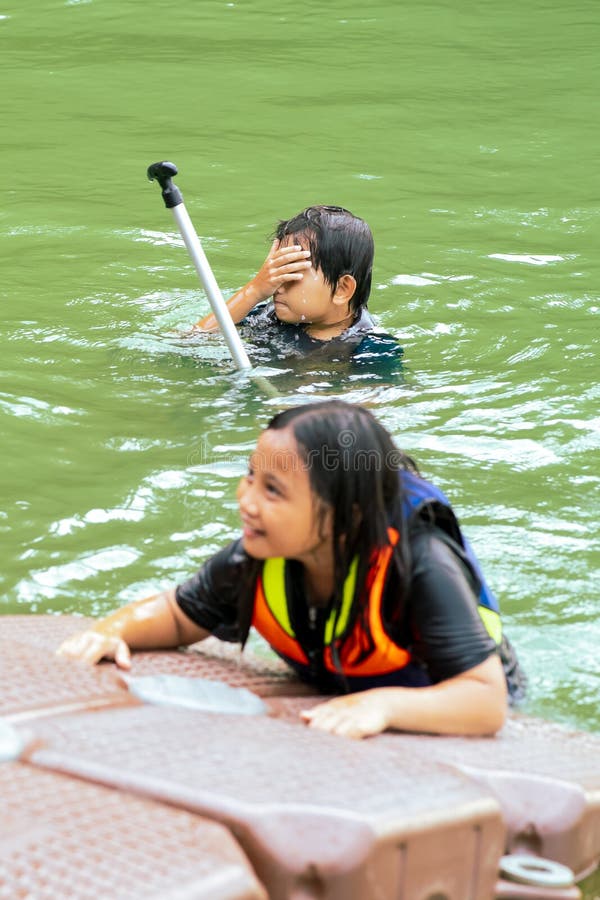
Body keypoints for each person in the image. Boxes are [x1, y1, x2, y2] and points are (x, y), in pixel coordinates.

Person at [58, 401, 525, 739]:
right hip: (346, 685)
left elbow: (486, 702)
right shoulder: (256, 559)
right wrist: (112, 631)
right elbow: (179, 613)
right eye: (249, 476)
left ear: (347, 515)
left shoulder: (421, 567)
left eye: (273, 491)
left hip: (444, 688)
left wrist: (384, 705)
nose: (246, 500)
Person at [194, 206, 403, 378]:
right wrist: (254, 291)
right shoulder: (269, 317)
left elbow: (378, 401)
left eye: (292, 270)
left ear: (342, 289)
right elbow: (192, 341)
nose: (277, 283)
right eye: (275, 270)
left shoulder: (372, 348)